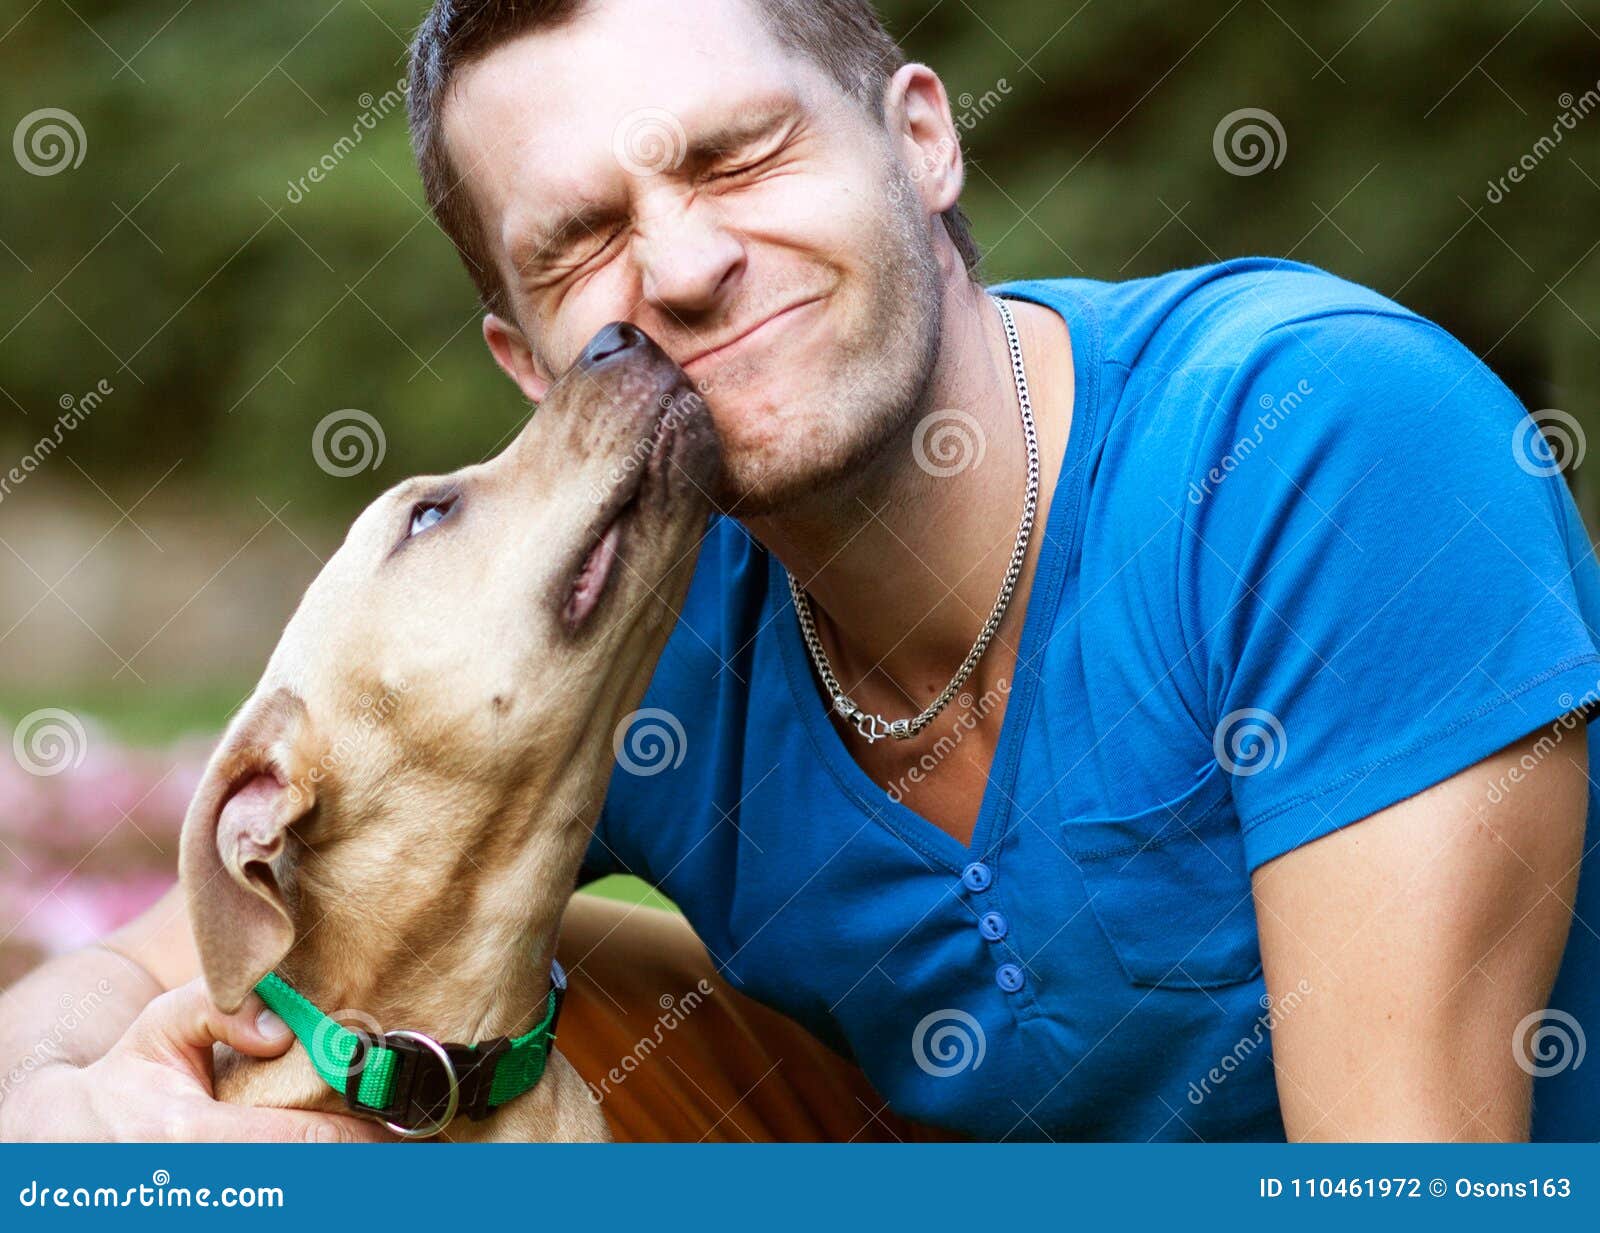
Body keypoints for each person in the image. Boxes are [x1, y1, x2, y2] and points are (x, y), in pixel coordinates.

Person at [4, 0, 1595, 1142]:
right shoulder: (616, 620)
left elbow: (1409, 1187)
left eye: (735, 157)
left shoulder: (1315, 444)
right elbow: (193, 953)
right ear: (529, 362)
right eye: (583, 243)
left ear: (921, 138)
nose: (686, 264)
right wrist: (87, 1117)